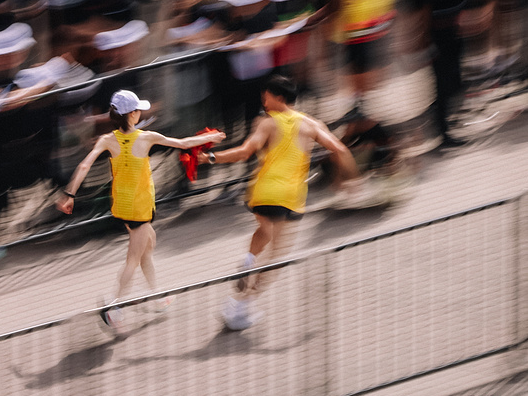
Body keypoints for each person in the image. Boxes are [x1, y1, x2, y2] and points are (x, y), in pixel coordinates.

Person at [197, 75, 359, 330]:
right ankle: (240, 306)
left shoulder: (266, 123)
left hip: (262, 191)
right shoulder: (311, 124)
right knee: (278, 255)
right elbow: (340, 150)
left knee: (264, 230)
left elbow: (245, 152)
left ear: (279, 98)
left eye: (266, 97)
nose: (263, 102)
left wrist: (211, 158)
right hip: (290, 197)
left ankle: (249, 260)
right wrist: (347, 179)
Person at [57, 89, 226, 327]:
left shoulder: (108, 140)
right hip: (140, 207)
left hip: (122, 205)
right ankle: (113, 304)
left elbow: (85, 165)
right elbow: (183, 143)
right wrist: (213, 137)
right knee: (133, 258)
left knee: (148, 247)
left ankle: (157, 296)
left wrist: (69, 194)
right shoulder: (146, 137)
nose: (140, 113)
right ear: (132, 114)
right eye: (138, 110)